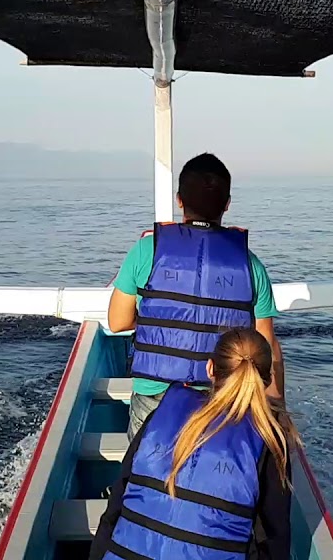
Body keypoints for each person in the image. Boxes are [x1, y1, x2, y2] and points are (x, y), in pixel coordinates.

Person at [107, 152, 284, 439]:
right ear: (227, 204)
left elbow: (117, 322)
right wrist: (276, 409)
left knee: (144, 474)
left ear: (179, 200)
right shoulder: (250, 265)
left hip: (154, 396)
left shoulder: (145, 252)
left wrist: (162, 323)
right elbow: (266, 345)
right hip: (223, 398)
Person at [89, 328, 294, 560]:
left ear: (210, 369)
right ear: (266, 381)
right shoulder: (268, 439)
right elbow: (274, 539)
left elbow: (115, 507)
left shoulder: (160, 415)